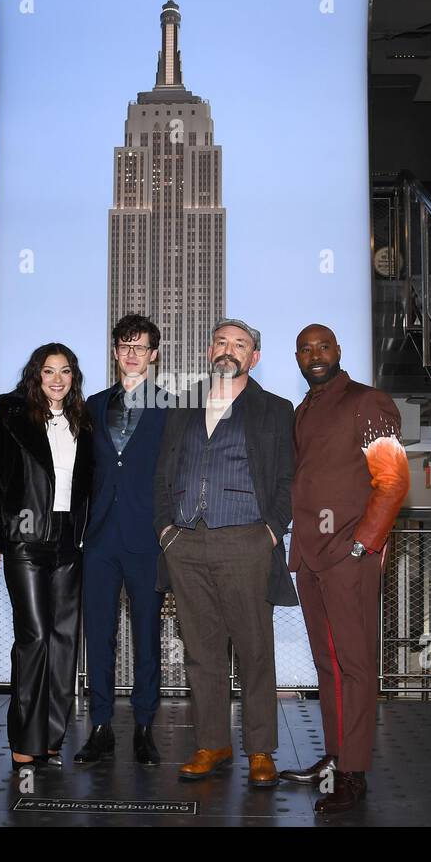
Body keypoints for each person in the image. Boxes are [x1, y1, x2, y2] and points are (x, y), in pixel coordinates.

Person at [153, 318, 296, 787]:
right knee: (201, 651)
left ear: (254, 357)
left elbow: (288, 479)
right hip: (186, 543)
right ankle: (212, 743)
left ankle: (260, 750)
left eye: (241, 344)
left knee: (255, 650)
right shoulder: (182, 403)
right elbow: (162, 472)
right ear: (209, 350)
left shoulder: (275, 409)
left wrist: (271, 531)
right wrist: (164, 531)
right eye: (222, 341)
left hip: (246, 541)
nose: (229, 349)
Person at [280, 323, 410, 814]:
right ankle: (335, 758)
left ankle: (353, 774)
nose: (315, 355)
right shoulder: (303, 409)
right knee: (328, 667)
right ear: (296, 357)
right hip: (311, 558)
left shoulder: (368, 401)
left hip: (349, 557)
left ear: (339, 350)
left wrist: (361, 546)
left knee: (354, 667)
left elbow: (393, 481)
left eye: (324, 347)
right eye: (306, 349)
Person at [0, 343, 93, 771]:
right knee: (35, 637)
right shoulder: (11, 416)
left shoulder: (84, 421)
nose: (56, 379)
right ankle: (25, 736)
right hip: (25, 539)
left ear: (73, 377)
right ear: (35, 375)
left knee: (64, 641)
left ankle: (51, 736)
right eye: (48, 371)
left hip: (69, 541)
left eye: (65, 371)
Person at [76, 315, 173, 765]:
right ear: (115, 351)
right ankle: (99, 727)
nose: (132, 353)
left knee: (147, 636)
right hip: (98, 539)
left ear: (154, 355)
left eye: (141, 347)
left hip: (147, 539)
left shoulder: (172, 409)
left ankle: (143, 727)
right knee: (98, 635)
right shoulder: (91, 406)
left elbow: (174, 476)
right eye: (124, 345)